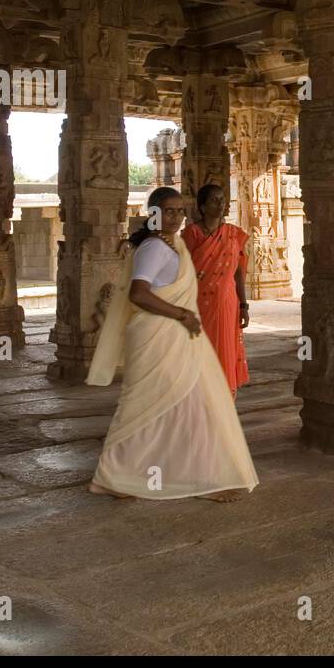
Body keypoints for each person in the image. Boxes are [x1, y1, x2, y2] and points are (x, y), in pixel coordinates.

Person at [86, 186, 258, 502]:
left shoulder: (173, 244)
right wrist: (182, 313)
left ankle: (153, 477)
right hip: (158, 333)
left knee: (181, 406)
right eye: (168, 210)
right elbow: (138, 294)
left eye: (180, 210)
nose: (176, 217)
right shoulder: (154, 248)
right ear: (153, 214)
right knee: (154, 405)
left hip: (173, 334)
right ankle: (128, 477)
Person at [181, 183, 250, 393]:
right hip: (198, 303)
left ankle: (224, 400)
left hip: (228, 302)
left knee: (226, 349)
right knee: (201, 349)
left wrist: (244, 305)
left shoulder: (233, 234)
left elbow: (238, 273)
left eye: (222, 199)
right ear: (202, 207)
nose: (220, 204)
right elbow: (182, 271)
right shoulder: (191, 234)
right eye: (214, 200)